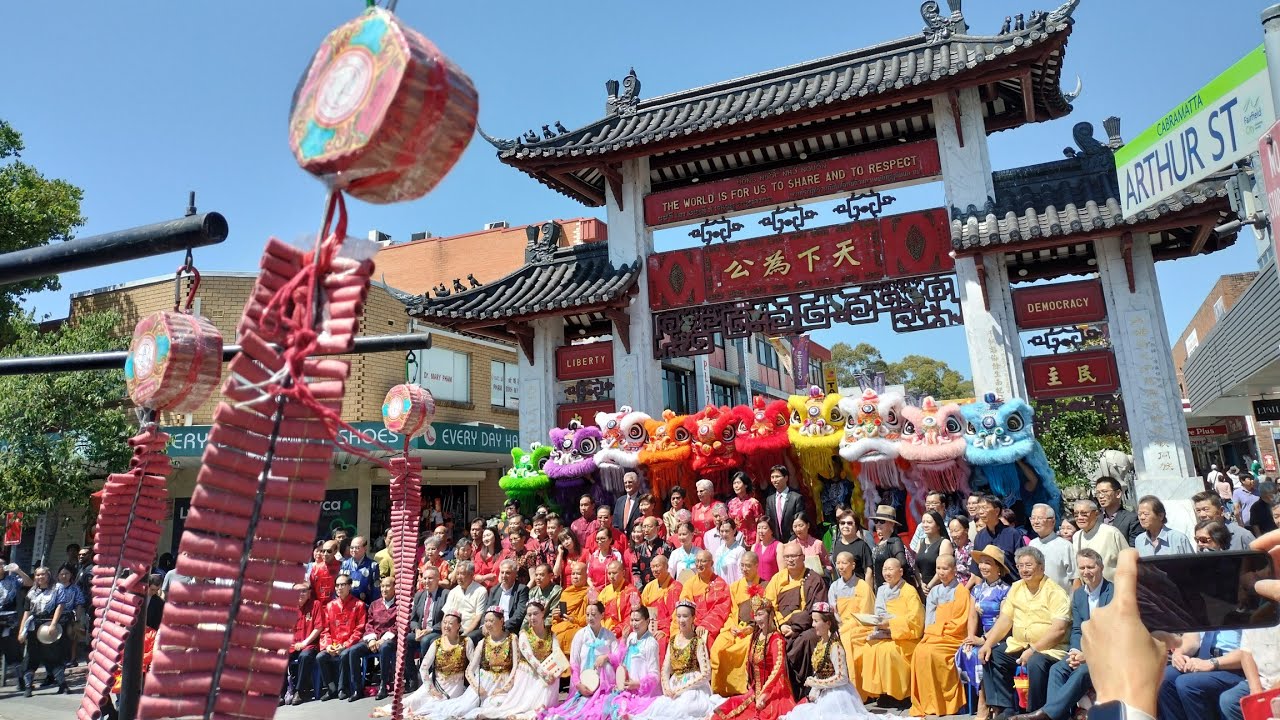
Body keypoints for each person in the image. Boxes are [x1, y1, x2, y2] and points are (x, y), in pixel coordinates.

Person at [1010, 548, 1114, 720]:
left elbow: (1114, 633)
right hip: (1082, 652)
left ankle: (1047, 714)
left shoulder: (1114, 593)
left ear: (1101, 567)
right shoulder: (1079, 595)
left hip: (1107, 655)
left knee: (1083, 671)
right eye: (1082, 568)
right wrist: (1074, 651)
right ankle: (1059, 716)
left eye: (1090, 567)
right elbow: (1077, 629)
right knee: (1057, 669)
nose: (1086, 572)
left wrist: (1088, 656)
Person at [977, 546, 1071, 718]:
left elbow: (1059, 630)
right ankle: (1005, 709)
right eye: (1020, 566)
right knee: (993, 655)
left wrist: (1034, 649)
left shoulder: (1056, 592)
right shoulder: (1016, 588)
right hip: (1020, 645)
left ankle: (1033, 712)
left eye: (1028, 565)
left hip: (1048, 649)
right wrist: (988, 643)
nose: (1024, 570)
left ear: (1041, 567)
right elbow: (1005, 620)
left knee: (1035, 662)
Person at [780, 602, 874, 720]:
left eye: (816, 621)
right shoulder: (821, 644)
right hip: (823, 693)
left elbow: (842, 677)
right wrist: (815, 689)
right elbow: (819, 672)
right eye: (813, 621)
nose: (813, 625)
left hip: (837, 694)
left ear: (828, 623)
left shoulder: (835, 646)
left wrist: (816, 683)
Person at [468, 601, 561, 720]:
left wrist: (555, 671)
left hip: (545, 673)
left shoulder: (551, 634)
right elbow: (530, 658)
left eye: (535, 613)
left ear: (543, 613)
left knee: (554, 679)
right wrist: (544, 673)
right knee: (519, 706)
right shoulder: (524, 635)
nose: (532, 617)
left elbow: (557, 654)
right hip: (529, 675)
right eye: (529, 615)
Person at [633, 600, 724, 720]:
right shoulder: (673, 641)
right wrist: (667, 689)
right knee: (659, 707)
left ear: (693, 618)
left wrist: (681, 690)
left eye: (685, 616)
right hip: (674, 686)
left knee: (683, 708)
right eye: (679, 616)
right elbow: (665, 669)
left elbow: (706, 674)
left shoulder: (697, 642)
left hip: (694, 689)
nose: (681, 620)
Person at [420, 608, 517, 720]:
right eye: (486, 621)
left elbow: (516, 666)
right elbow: (469, 670)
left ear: (501, 621)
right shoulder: (483, 642)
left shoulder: (512, 639)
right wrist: (477, 687)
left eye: (491, 621)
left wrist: (504, 688)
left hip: (504, 683)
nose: (488, 624)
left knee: (499, 707)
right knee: (462, 709)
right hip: (483, 683)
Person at [710, 597, 796, 720]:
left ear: (771, 615)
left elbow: (778, 668)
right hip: (755, 691)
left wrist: (764, 694)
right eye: (755, 615)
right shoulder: (756, 636)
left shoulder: (776, 639)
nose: (757, 619)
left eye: (760, 614)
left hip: (774, 691)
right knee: (726, 710)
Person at [909, 554, 973, 717]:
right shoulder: (934, 591)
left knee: (933, 654)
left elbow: (960, 623)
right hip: (935, 635)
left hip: (953, 638)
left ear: (954, 569)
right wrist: (932, 633)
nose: (941, 572)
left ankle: (945, 702)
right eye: (938, 568)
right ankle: (928, 701)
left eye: (945, 568)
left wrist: (938, 632)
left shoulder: (962, 592)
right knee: (919, 652)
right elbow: (929, 620)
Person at [375, 610, 470, 718]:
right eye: (445, 622)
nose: (446, 626)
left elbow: (473, 665)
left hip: (455, 686)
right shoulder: (437, 643)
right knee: (414, 701)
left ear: (458, 626)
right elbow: (424, 668)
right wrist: (430, 688)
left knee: (437, 707)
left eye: (451, 623)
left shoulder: (466, 642)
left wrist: (474, 684)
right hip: (436, 682)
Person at [765, 541, 829, 700]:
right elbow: (768, 606)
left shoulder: (813, 579)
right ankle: (780, 693)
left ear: (803, 557)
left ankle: (806, 690)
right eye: (787, 557)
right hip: (780, 627)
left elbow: (815, 610)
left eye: (794, 556)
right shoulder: (777, 579)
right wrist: (781, 625)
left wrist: (794, 627)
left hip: (806, 627)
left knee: (808, 639)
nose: (790, 560)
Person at [860, 557, 923, 709]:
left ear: (900, 572)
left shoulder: (909, 591)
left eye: (890, 569)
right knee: (869, 648)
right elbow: (879, 612)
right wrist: (880, 622)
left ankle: (901, 695)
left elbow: (915, 620)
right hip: (886, 633)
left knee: (888, 652)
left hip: (906, 637)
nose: (887, 573)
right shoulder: (882, 590)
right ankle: (883, 692)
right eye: (884, 569)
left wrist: (890, 623)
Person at [540, 601, 618, 720]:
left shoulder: (609, 636)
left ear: (602, 615)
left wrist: (606, 657)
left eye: (593, 614)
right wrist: (578, 684)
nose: (590, 618)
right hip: (584, 684)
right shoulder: (580, 635)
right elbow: (574, 663)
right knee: (577, 710)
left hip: (604, 686)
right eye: (587, 614)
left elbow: (618, 657)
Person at [710, 550, 768, 696]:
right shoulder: (735, 587)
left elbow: (767, 612)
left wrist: (750, 628)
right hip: (735, 627)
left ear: (756, 566)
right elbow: (731, 611)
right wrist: (733, 627)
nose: (744, 569)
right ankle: (720, 688)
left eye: (748, 566)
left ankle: (743, 688)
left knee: (745, 647)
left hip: (755, 628)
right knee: (718, 646)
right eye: (742, 565)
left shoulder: (765, 586)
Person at [825, 551, 874, 700]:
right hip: (841, 626)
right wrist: (840, 626)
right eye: (838, 563)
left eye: (844, 563)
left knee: (848, 640)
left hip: (860, 628)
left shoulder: (862, 586)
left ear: (853, 565)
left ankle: (857, 691)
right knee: (841, 639)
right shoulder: (834, 586)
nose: (841, 566)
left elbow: (866, 614)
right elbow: (833, 612)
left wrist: (846, 627)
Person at [598, 607, 662, 719]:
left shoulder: (651, 644)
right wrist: (623, 639)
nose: (633, 623)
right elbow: (621, 659)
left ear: (647, 621)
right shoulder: (631, 637)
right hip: (627, 689)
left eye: (637, 620)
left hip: (643, 694)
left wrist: (637, 684)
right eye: (632, 620)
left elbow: (655, 675)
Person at [346, 576, 400, 702]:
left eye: (387, 586)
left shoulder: (399, 605)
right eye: (382, 586)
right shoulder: (374, 604)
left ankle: (383, 685)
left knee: (385, 647)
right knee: (353, 651)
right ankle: (357, 688)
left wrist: (383, 640)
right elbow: (369, 624)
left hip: (390, 639)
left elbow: (398, 625)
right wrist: (371, 640)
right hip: (373, 639)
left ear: (395, 588)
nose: (384, 589)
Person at [315, 573, 368, 701]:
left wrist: (345, 645)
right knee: (320, 656)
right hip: (334, 644)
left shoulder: (359, 605)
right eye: (337, 585)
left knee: (344, 654)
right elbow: (325, 630)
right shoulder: (330, 606)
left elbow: (360, 629)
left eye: (343, 585)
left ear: (350, 586)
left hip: (350, 644)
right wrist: (328, 646)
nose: (339, 588)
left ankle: (343, 688)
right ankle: (331, 688)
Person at [17, 567, 67, 696]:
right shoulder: (32, 592)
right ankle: (28, 686)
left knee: (53, 655)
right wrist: (22, 631)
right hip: (34, 626)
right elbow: (27, 612)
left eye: (43, 574)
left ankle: (63, 685)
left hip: (49, 625)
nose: (40, 577)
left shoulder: (57, 588)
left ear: (48, 575)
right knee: (31, 656)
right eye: (38, 575)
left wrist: (53, 624)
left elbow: (60, 606)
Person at [678, 549, 732, 647]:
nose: (699, 564)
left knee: (708, 640)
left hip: (711, 626)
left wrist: (705, 624)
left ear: (712, 563)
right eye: (697, 561)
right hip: (691, 623)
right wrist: (691, 624)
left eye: (703, 561)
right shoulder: (690, 584)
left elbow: (721, 610)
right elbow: (684, 605)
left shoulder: (720, 584)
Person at [1069, 498, 1128, 584]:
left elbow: (1128, 563)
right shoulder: (1076, 536)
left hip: (1113, 587)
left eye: (1084, 514)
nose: (1080, 518)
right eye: (1076, 515)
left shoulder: (1111, 533)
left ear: (1096, 514)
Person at [971, 494, 1024, 585]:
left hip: (1013, 586)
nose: (980, 512)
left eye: (984, 508)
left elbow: (1022, 564)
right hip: (990, 589)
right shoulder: (979, 537)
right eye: (979, 508)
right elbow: (977, 571)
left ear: (996, 511)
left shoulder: (1013, 534)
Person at [284, 583, 321, 705]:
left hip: (309, 644)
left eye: (304, 591)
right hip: (291, 645)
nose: (300, 594)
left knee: (304, 656)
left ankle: (300, 691)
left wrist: (304, 643)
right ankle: (282, 692)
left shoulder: (315, 604)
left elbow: (318, 627)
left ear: (309, 593)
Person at [642, 555, 684, 660]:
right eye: (653, 567)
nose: (655, 570)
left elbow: (677, 615)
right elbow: (643, 611)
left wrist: (665, 631)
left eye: (658, 566)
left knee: (661, 643)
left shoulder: (676, 587)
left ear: (666, 566)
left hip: (669, 628)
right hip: (650, 627)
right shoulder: (649, 587)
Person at [1027, 503, 1075, 590]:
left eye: (1040, 518)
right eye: (1033, 518)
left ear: (1052, 521)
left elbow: (1075, 578)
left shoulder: (1065, 546)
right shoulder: (1032, 544)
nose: (1036, 522)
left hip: (1061, 596)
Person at [411, 566, 447, 672]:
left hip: (436, 631)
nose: (426, 581)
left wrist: (430, 630)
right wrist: (417, 630)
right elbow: (413, 619)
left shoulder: (445, 594)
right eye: (425, 578)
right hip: (421, 631)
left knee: (426, 640)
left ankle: (426, 673)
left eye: (430, 578)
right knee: (405, 640)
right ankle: (411, 676)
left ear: (438, 579)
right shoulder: (419, 595)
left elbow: (446, 619)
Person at [444, 561, 489, 645]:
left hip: (470, 630)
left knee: (466, 641)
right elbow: (446, 615)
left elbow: (478, 618)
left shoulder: (481, 591)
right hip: (452, 630)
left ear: (471, 575)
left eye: (462, 574)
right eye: (457, 574)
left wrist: (464, 635)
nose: (459, 577)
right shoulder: (453, 592)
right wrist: (444, 634)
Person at [551, 562, 590, 655]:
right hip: (564, 625)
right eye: (573, 574)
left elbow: (592, 617)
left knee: (571, 635)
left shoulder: (591, 593)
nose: (575, 577)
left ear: (586, 576)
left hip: (580, 627)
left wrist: (574, 620)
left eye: (578, 574)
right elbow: (561, 616)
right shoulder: (566, 592)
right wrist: (556, 616)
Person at [870, 504, 912, 588]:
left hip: (893, 589)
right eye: (876, 521)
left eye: (882, 521)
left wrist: (892, 581)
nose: (878, 524)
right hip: (881, 589)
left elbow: (902, 563)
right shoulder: (880, 542)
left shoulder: (895, 541)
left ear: (892, 524)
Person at [487, 559, 530, 635]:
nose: (504, 576)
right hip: (491, 627)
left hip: (510, 629)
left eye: (507, 573)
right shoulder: (494, 590)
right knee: (470, 637)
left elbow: (519, 615)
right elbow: (487, 610)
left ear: (515, 574)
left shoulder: (521, 590)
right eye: (502, 572)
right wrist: (484, 625)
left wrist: (501, 627)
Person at [913, 510, 953, 591]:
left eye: (929, 522)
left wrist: (929, 586)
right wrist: (921, 583)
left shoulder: (944, 543)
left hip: (938, 588)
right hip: (922, 587)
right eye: (923, 522)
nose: (925, 525)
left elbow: (943, 569)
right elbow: (916, 566)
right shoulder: (921, 542)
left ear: (938, 525)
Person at [1095, 478, 1141, 545]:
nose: (1100, 496)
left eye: (1104, 491)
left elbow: (1134, 546)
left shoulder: (1132, 519)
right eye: (1098, 493)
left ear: (1118, 493)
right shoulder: (1095, 519)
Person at [598, 560, 637, 639]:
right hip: (603, 631)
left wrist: (617, 630)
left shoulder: (631, 592)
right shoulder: (605, 591)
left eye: (614, 573)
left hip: (622, 633)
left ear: (623, 573)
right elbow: (598, 613)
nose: (611, 576)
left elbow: (631, 616)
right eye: (609, 573)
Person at [830, 513, 874, 582]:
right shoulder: (836, 545)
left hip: (858, 586)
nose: (845, 526)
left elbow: (868, 572)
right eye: (842, 523)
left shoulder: (862, 546)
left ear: (856, 526)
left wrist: (867, 588)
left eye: (849, 523)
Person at [765, 465, 803, 543]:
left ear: (786, 478)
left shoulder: (796, 498)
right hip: (776, 542)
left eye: (777, 477)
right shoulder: (769, 500)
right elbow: (768, 521)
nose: (774, 480)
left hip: (794, 541)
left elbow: (800, 521)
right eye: (772, 477)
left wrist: (792, 539)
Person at [633, 517, 673, 589]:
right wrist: (640, 588)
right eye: (644, 527)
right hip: (644, 589)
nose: (646, 530)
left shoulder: (667, 547)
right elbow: (635, 570)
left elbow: (672, 568)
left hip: (664, 587)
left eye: (649, 526)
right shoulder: (638, 549)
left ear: (657, 528)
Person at [729, 471, 764, 545]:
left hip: (752, 541)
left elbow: (760, 524)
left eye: (738, 483)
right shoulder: (731, 503)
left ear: (745, 485)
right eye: (734, 483)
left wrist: (757, 544)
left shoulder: (754, 503)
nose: (736, 486)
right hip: (736, 541)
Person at [343, 535, 379, 604]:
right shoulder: (345, 564)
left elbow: (375, 589)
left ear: (365, 548)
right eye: (351, 548)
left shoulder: (373, 565)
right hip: (347, 605)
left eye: (357, 548)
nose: (353, 550)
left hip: (366, 604)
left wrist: (374, 606)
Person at [527, 563, 561, 632]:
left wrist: (538, 625)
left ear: (551, 576)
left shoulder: (557, 591)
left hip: (548, 627)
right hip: (533, 626)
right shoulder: (532, 591)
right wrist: (523, 629)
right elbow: (528, 614)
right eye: (536, 575)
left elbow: (552, 615)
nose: (538, 578)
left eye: (542, 575)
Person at [714, 517, 747, 585]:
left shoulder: (740, 551)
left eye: (727, 531)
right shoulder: (719, 550)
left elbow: (741, 574)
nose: (724, 534)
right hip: (720, 587)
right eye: (722, 531)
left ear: (734, 531)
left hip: (734, 587)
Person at [949, 515, 974, 586]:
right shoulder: (952, 548)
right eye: (951, 531)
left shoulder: (971, 550)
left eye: (956, 531)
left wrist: (964, 590)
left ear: (966, 530)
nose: (953, 535)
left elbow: (974, 576)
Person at [691, 480, 718, 545]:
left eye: (701, 491)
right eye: (697, 491)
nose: (699, 494)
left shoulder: (718, 506)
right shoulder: (695, 508)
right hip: (698, 543)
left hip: (713, 541)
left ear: (710, 492)